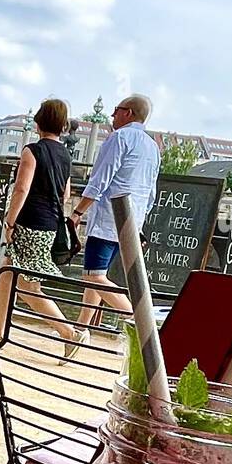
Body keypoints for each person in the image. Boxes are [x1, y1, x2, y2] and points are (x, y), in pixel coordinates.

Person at [0, 98, 81, 354]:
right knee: (6, 277)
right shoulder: (65, 154)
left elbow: (22, 188)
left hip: (29, 224)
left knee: (28, 287)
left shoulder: (32, 151)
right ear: (63, 126)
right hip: (49, 225)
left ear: (38, 122)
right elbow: (65, 194)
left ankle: (70, 333)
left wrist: (9, 221)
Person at [71, 94, 160, 331]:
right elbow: (151, 192)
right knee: (97, 276)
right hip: (130, 221)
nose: (112, 115)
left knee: (93, 277)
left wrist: (78, 212)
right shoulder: (153, 147)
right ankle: (79, 331)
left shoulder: (119, 138)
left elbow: (100, 179)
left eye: (116, 110)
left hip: (107, 219)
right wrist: (139, 224)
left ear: (128, 113)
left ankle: (142, 324)